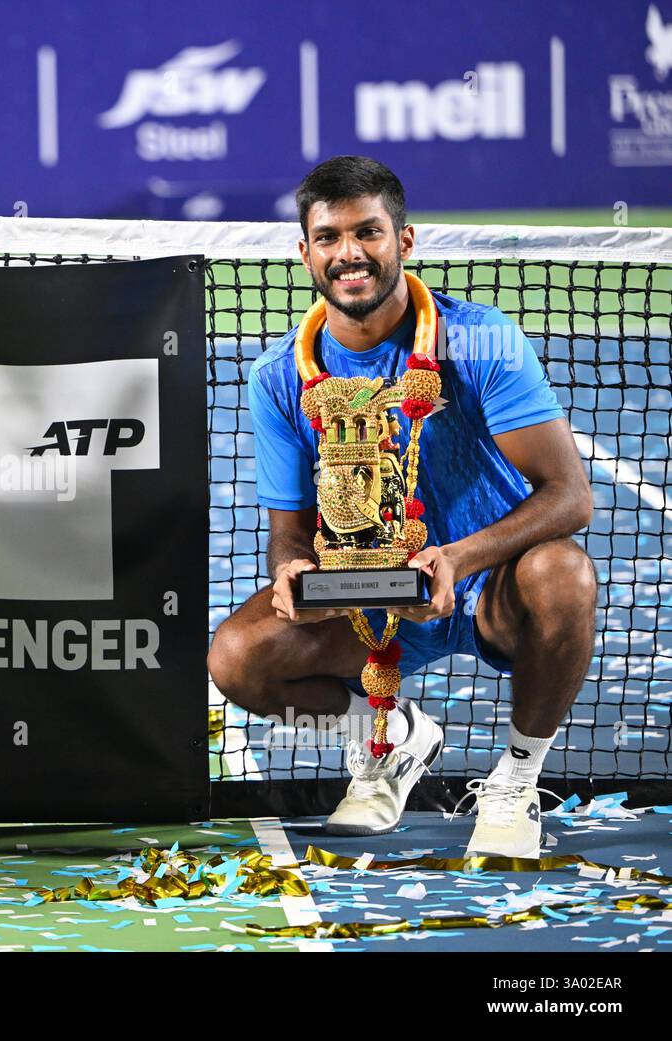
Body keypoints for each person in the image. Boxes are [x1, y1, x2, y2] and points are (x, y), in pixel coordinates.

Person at [207, 156, 596, 858]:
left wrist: (458, 558)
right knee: (238, 657)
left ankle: (515, 779)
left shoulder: (478, 340)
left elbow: (570, 496)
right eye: (328, 237)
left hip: (489, 585)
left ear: (404, 242)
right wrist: (297, 575)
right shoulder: (278, 378)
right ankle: (387, 737)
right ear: (305, 253)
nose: (348, 253)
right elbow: (289, 532)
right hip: (366, 597)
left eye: (368, 232)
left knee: (564, 574)